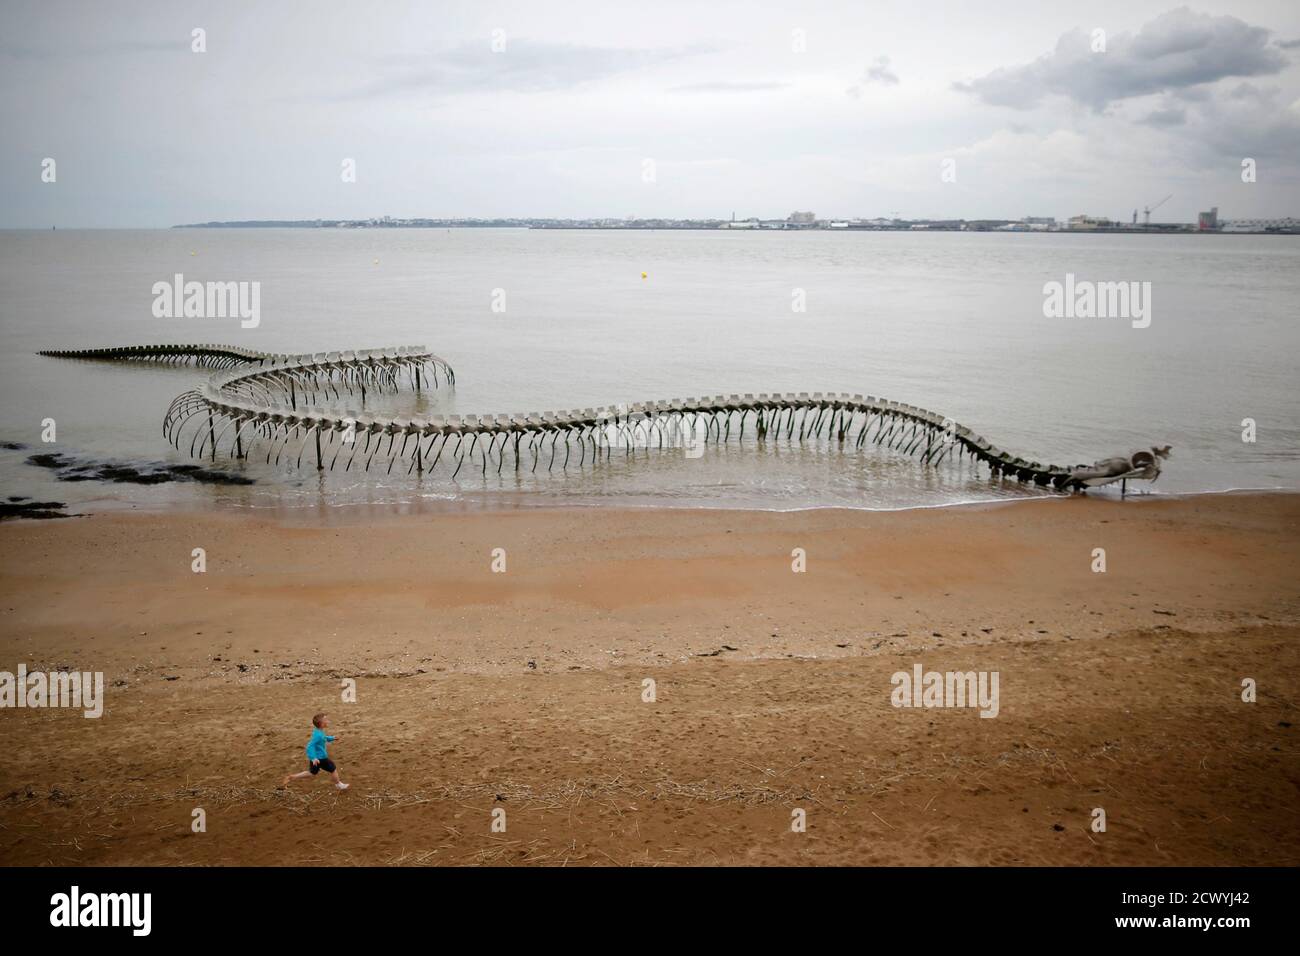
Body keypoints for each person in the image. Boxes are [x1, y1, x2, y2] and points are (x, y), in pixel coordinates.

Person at [282, 712, 349, 790]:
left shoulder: (318, 731)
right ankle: (338, 784)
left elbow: (324, 738)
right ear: (321, 724)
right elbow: (310, 746)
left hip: (316, 759)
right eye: (326, 720)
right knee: (333, 769)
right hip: (320, 758)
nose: (328, 721)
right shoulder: (318, 735)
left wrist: (332, 738)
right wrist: (313, 758)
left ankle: (292, 777)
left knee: (312, 773)